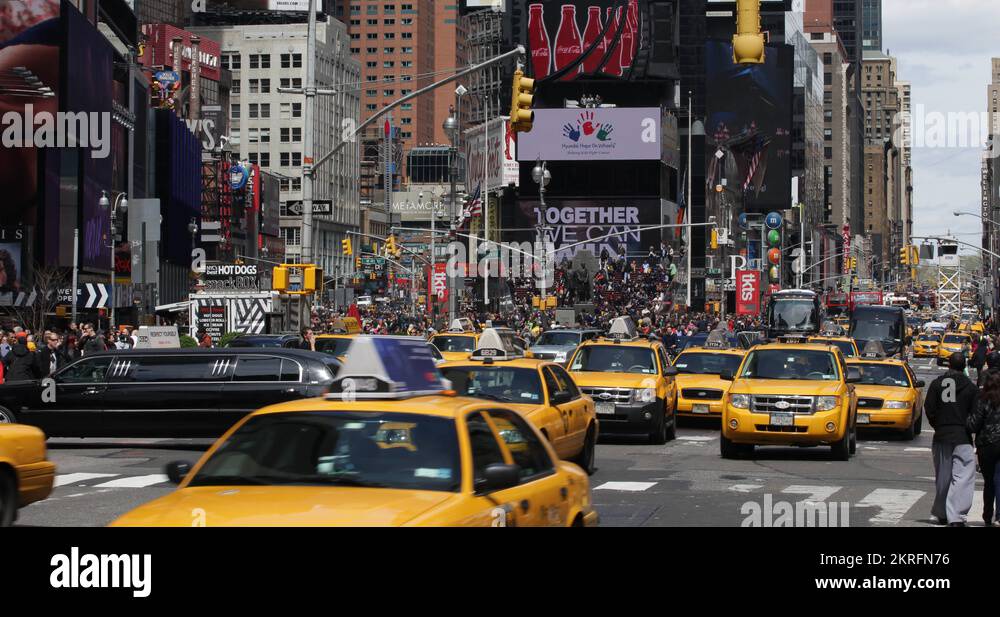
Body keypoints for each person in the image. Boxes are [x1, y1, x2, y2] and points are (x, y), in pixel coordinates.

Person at [924, 352, 979, 526]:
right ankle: (956, 516)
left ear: (948, 365)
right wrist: (969, 428)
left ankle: (941, 512)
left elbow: (929, 408)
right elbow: (975, 414)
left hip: (941, 435)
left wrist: (937, 425)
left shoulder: (936, 384)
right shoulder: (970, 387)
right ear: (964, 367)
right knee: (963, 477)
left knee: (943, 477)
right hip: (962, 436)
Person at [967, 370, 1000, 526]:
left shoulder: (982, 399)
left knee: (989, 481)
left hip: (986, 444)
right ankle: (999, 516)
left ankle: (987, 515)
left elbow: (974, 424)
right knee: (999, 479)